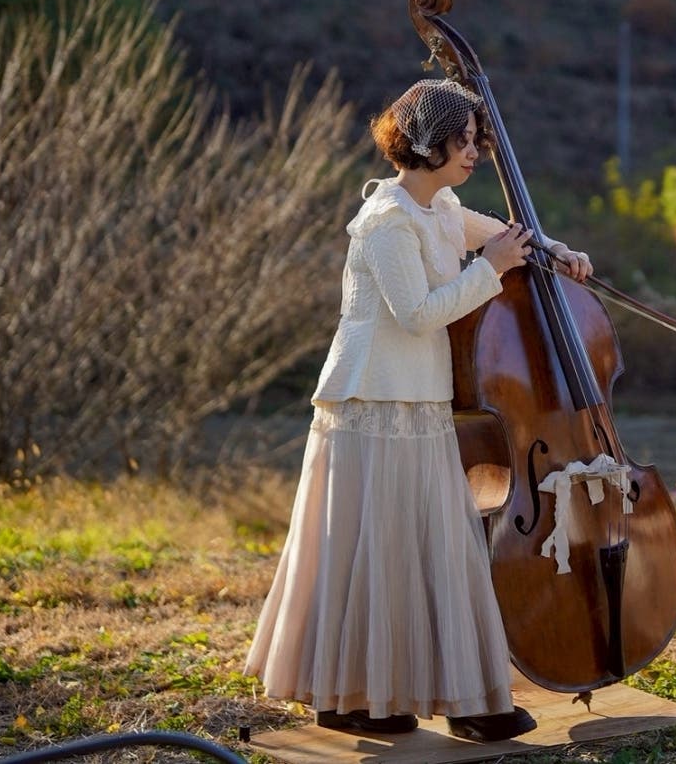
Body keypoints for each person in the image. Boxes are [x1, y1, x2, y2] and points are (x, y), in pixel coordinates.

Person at [244, 78, 594, 743]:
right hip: (371, 404)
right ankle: (357, 697)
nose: (475, 153)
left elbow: (509, 235)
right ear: (431, 144)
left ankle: (454, 697)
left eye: (476, 141)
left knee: (432, 548)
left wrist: (555, 251)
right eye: (465, 142)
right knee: (376, 551)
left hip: (421, 400)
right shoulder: (387, 220)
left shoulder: (441, 208)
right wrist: (490, 269)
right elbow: (416, 314)